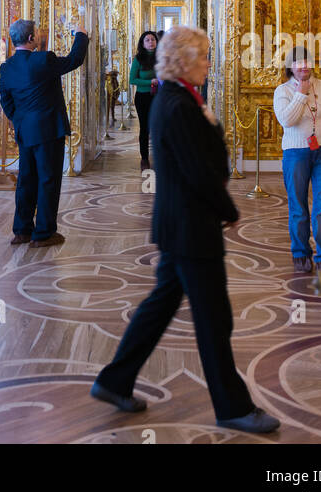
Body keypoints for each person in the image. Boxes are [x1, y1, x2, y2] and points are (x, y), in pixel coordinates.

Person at [91, 25, 279, 434]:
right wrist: (228, 208)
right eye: (205, 56)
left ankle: (114, 380)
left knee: (159, 308)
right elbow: (198, 170)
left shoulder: (182, 97)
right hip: (191, 227)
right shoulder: (176, 104)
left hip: (181, 225)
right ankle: (232, 406)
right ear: (185, 61)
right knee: (215, 319)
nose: (210, 63)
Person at [0, 18, 89, 248]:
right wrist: (81, 34)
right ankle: (44, 233)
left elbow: (6, 102)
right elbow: (74, 60)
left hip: (25, 130)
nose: (38, 35)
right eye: (36, 33)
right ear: (31, 38)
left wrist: (19, 121)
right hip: (49, 129)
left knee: (26, 180)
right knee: (48, 180)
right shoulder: (43, 59)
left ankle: (22, 230)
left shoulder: (6, 67)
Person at [273, 48, 321, 275]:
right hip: (295, 152)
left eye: (306, 61)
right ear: (290, 67)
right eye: (298, 62)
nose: (303, 66)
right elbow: (287, 120)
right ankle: (300, 253)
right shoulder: (283, 90)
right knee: (298, 206)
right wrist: (301, 93)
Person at [129, 30, 158, 171]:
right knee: (145, 128)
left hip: (159, 97)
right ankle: (144, 158)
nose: (151, 42)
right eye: (147, 40)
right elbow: (132, 80)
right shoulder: (138, 59)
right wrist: (150, 82)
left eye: (153, 39)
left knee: (159, 127)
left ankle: (161, 156)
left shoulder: (162, 58)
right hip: (143, 98)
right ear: (143, 43)